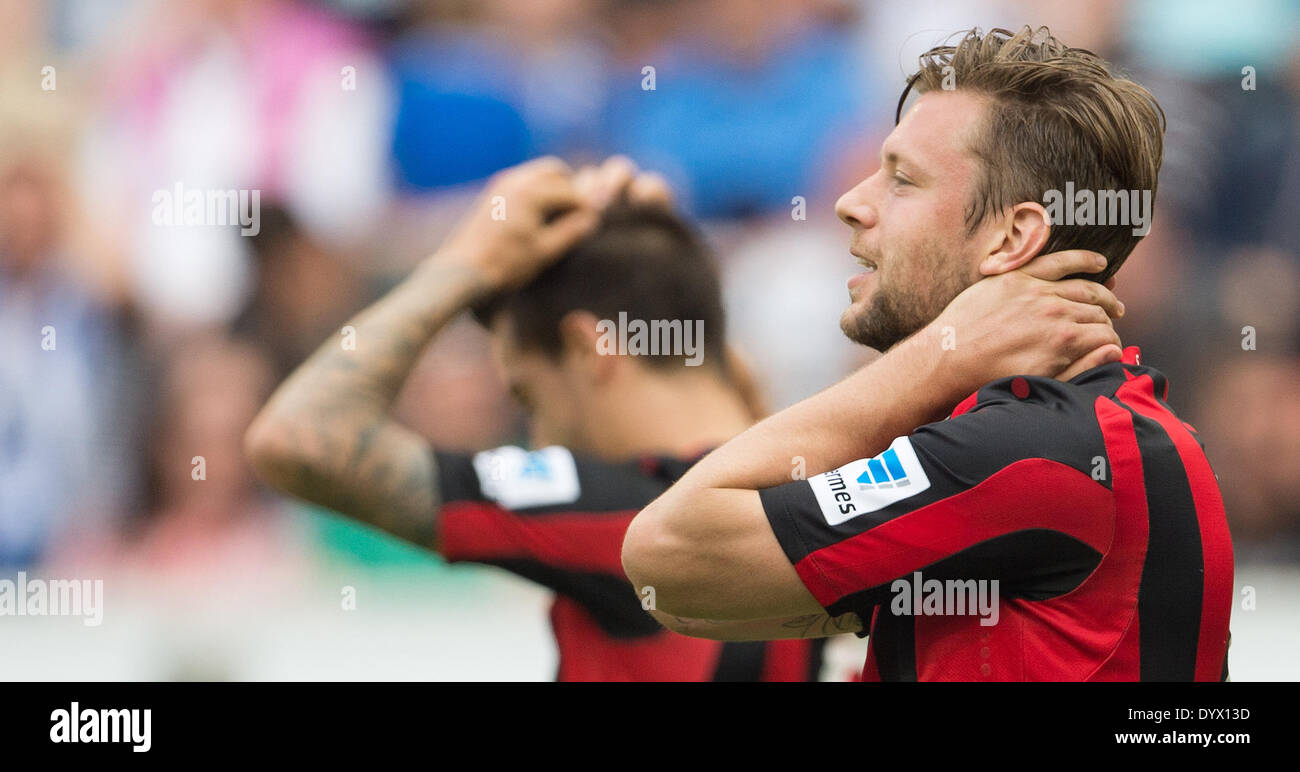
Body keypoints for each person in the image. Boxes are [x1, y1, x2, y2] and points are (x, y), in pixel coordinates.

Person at [622, 26, 1234, 682]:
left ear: (1011, 237)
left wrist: (933, 359)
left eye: (902, 180)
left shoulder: (1035, 452)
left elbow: (667, 555)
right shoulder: (1083, 425)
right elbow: (713, 607)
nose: (850, 204)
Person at [244, 157, 820, 680]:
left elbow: (295, 439)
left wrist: (464, 260)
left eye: (529, 398)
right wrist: (655, 256)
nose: (538, 439)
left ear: (589, 350)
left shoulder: (629, 522)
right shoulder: (809, 493)